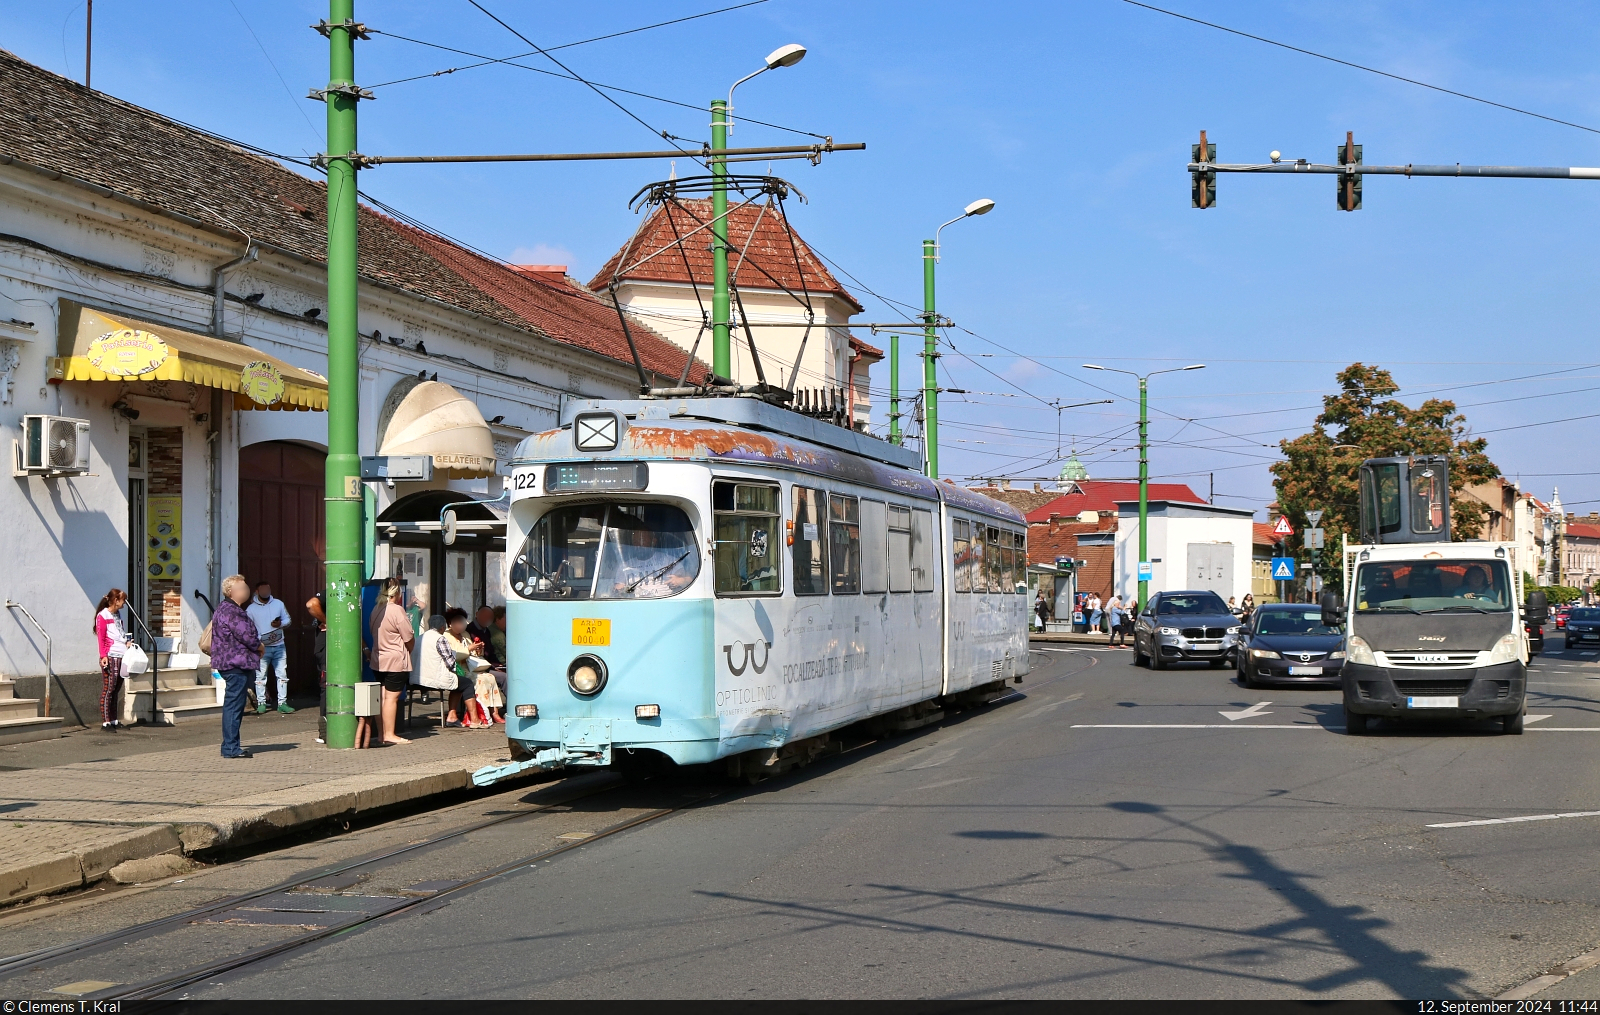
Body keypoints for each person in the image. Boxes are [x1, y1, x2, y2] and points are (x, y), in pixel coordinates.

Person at [211, 575, 264, 759]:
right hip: (235, 663)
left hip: (232, 662)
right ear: (231, 592)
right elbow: (247, 636)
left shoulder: (226, 608)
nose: (246, 591)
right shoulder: (232, 611)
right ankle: (231, 748)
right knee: (234, 706)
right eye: (242, 588)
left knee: (233, 705)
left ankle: (230, 745)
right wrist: (260, 646)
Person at [369, 577, 414, 747]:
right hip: (395, 660)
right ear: (398, 592)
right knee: (391, 698)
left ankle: (381, 734)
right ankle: (390, 734)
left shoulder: (376, 609)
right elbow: (408, 636)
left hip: (378, 659)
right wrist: (408, 650)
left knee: (382, 697)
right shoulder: (397, 610)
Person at [246, 581, 294, 714]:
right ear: (257, 592)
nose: (266, 592)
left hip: (279, 645)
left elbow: (288, 620)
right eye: (263, 590)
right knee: (260, 676)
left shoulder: (278, 604)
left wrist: (280, 624)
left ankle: (282, 703)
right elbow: (249, 628)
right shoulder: (251, 609)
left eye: (268, 589)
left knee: (282, 675)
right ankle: (261, 703)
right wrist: (259, 639)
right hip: (262, 647)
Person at [94, 588, 131, 731]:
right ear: (116, 601)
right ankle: (106, 722)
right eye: (123, 600)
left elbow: (119, 633)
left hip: (121, 654)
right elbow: (101, 637)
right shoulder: (102, 615)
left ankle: (114, 720)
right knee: (109, 688)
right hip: (111, 654)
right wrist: (103, 655)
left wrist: (126, 642)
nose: (124, 603)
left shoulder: (117, 615)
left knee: (116, 689)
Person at [441, 608, 481, 728]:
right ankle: (475, 717)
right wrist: (469, 649)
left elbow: (473, 655)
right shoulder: (446, 636)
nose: (461, 624)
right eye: (457, 621)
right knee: (477, 680)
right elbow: (453, 656)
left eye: (462, 621)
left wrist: (478, 649)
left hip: (468, 667)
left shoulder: (465, 635)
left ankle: (491, 713)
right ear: (450, 623)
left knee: (489, 677)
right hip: (456, 669)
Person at [307, 588, 327, 743]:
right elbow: (311, 604)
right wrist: (327, 621)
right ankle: (325, 732)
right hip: (326, 649)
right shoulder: (332, 591)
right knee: (328, 687)